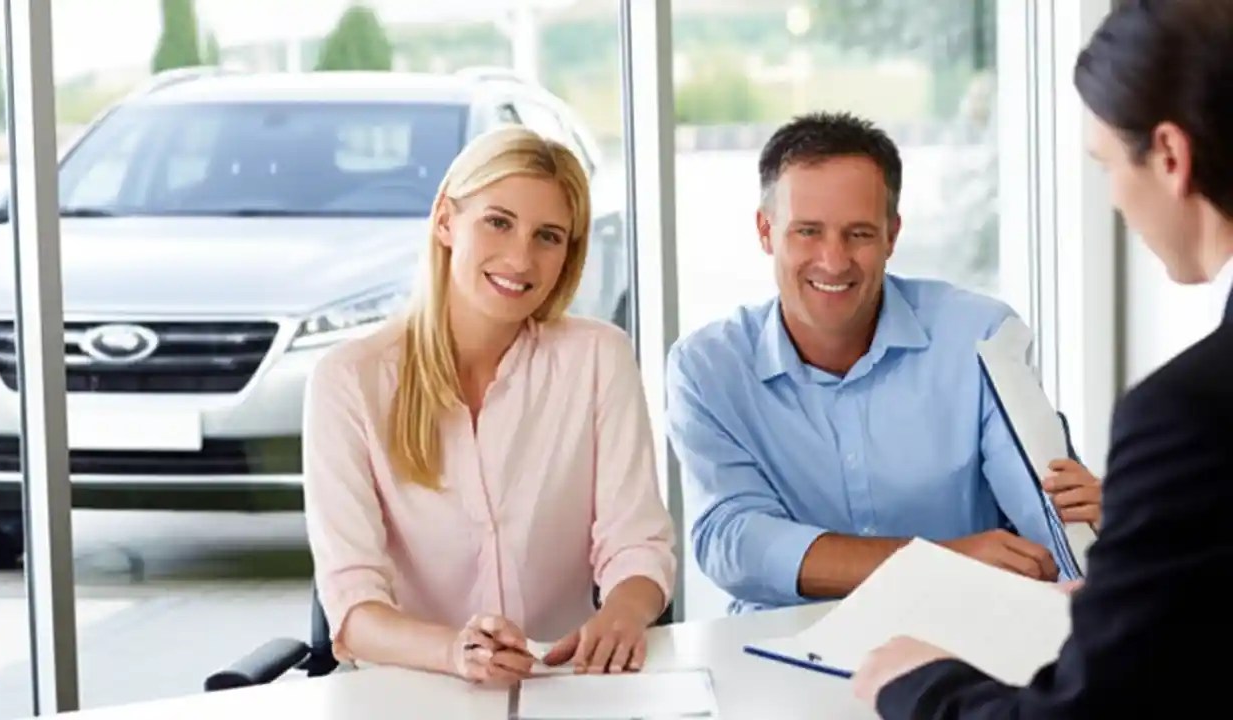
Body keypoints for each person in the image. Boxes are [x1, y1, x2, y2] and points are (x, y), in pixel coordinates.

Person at [854, 0, 1233, 716]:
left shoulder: (1185, 412)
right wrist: (1149, 588)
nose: (1117, 199)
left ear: (1172, 157)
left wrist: (919, 682)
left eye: (1106, 166)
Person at [664, 112, 1102, 614]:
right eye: (807, 231)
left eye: (859, 234)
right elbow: (735, 544)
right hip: (783, 646)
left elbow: (1050, 509)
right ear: (766, 231)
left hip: (966, 630)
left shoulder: (979, 336)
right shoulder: (706, 368)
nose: (833, 260)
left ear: (892, 235)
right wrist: (938, 563)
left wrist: (1110, 540)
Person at [302, 125, 676, 687]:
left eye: (548, 236)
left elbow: (638, 545)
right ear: (446, 220)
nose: (521, 258)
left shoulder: (599, 358)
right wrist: (458, 652)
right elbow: (353, 610)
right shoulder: (349, 381)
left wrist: (623, 612)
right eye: (498, 222)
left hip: (564, 687)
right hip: (413, 690)